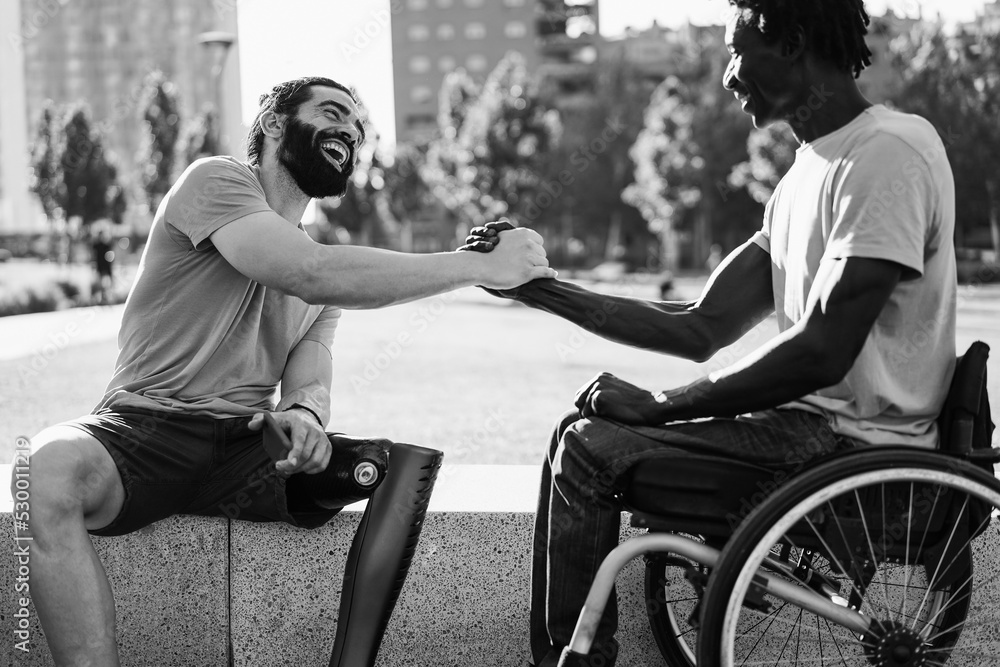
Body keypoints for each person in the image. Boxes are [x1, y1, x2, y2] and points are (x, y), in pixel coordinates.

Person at [464, 1, 957, 664]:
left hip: (855, 442)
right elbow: (701, 323)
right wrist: (539, 290)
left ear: (796, 42)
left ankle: (573, 660)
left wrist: (665, 404)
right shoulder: (801, 177)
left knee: (589, 448)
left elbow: (822, 348)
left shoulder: (887, 152)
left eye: (738, 51)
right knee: (574, 433)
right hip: (809, 429)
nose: (728, 76)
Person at [15, 76, 555, 666]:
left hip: (248, 448)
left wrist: (303, 412)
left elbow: (311, 365)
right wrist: (474, 265)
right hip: (145, 431)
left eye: (357, 125)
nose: (349, 130)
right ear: (275, 124)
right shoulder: (215, 182)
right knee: (44, 471)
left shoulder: (329, 266)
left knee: (396, 471)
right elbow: (307, 272)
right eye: (332, 113)